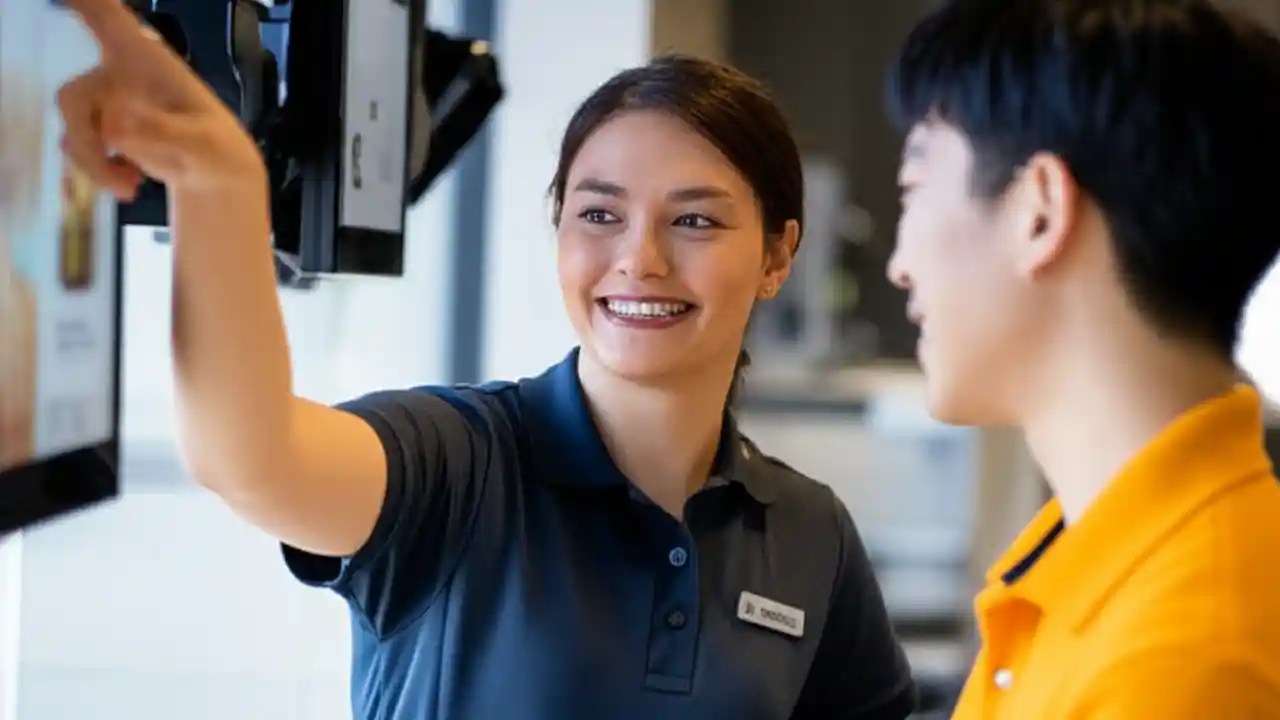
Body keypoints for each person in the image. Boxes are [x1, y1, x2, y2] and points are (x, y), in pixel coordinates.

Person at [56, 1, 917, 718]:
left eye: (695, 220)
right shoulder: (458, 462)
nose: (640, 259)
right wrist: (220, 187)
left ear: (777, 256)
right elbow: (251, 460)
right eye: (599, 214)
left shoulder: (810, 534)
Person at [885, 0, 1280, 717]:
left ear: (1038, 210)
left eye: (912, 192)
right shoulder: (1111, 560)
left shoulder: (1182, 666)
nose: (899, 266)